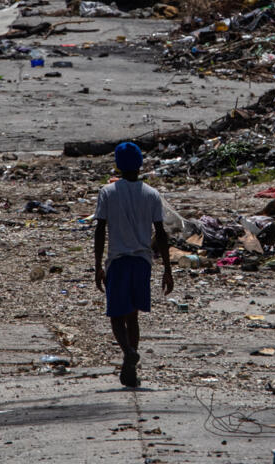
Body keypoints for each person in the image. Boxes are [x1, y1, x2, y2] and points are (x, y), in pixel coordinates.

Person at [94, 141, 173, 388]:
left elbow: (100, 230)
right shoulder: (151, 194)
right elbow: (161, 234)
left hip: (117, 260)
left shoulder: (108, 192)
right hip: (142, 262)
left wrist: (97, 265)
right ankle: (131, 369)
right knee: (133, 317)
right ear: (140, 164)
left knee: (116, 317)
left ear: (117, 165)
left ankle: (128, 352)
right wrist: (168, 269)